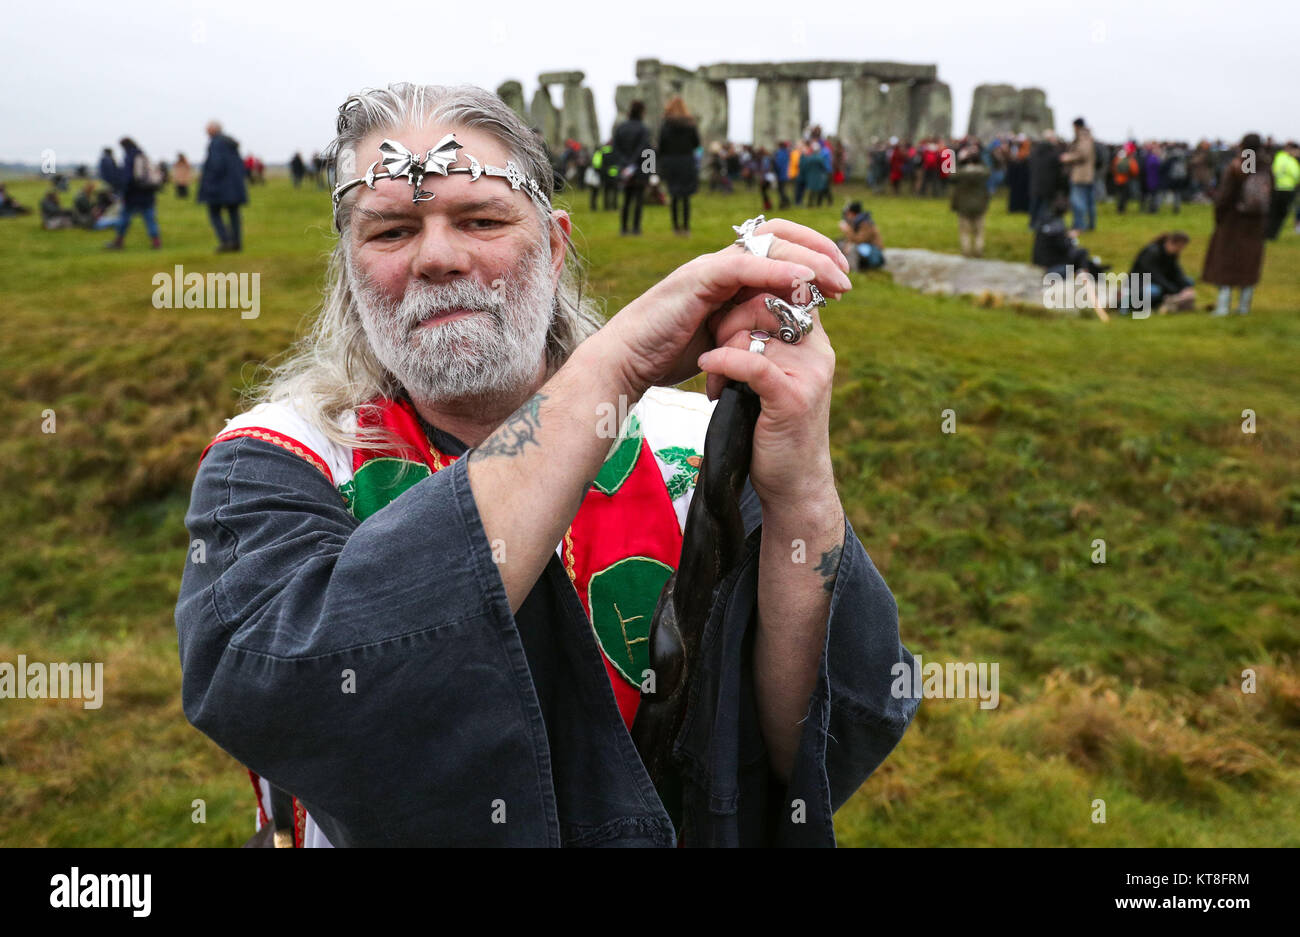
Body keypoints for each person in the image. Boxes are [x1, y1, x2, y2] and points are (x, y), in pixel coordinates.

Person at [174, 81, 916, 848]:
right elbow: (288, 692)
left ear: (555, 245)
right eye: (390, 231)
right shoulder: (278, 460)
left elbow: (814, 741)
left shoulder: (692, 448)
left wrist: (800, 491)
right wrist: (613, 367)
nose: (438, 257)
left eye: (482, 219)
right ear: (350, 272)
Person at [1203, 133, 1271, 316]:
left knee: (1228, 263)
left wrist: (1219, 216)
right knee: (1249, 264)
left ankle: (1223, 306)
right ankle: (1243, 306)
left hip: (1234, 221)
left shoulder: (1241, 165)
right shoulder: (1266, 165)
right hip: (1256, 223)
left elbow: (1225, 197)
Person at [1033, 193, 1110, 319]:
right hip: (1054, 266)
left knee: (1080, 255)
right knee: (1082, 253)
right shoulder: (1059, 225)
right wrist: (1070, 238)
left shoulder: (1046, 220)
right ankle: (1088, 277)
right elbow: (1064, 247)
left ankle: (1090, 271)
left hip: (1041, 260)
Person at [198, 121, 249, 253]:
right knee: (234, 214)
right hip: (234, 186)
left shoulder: (216, 143)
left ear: (213, 130)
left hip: (219, 187)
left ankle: (226, 241)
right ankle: (236, 242)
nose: (206, 132)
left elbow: (216, 165)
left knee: (214, 213)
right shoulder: (230, 143)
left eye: (207, 129)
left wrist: (208, 183)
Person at [105, 137, 161, 250]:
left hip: (132, 195)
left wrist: (123, 192)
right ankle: (156, 242)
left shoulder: (129, 157)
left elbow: (128, 178)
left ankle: (118, 241)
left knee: (124, 218)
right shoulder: (142, 155)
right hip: (147, 194)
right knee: (150, 219)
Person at [656, 96, 700, 237]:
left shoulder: (666, 125)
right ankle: (686, 227)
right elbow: (696, 144)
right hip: (686, 161)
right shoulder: (690, 124)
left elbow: (661, 145)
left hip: (671, 162)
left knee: (674, 194)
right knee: (685, 196)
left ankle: (676, 227)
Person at [1128, 232, 1196, 312]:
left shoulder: (1172, 254)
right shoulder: (1151, 252)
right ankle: (1133, 303)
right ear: (1170, 243)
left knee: (1189, 281)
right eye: (1179, 247)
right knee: (1153, 291)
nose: (1179, 250)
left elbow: (1177, 272)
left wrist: (1186, 287)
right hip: (1140, 283)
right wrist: (1174, 291)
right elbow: (1155, 276)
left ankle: (1167, 302)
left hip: (1160, 282)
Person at [612, 100, 651, 236]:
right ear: (641, 112)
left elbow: (615, 148)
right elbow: (646, 150)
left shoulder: (621, 128)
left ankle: (623, 228)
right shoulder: (644, 129)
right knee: (638, 200)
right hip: (639, 169)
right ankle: (636, 228)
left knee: (626, 199)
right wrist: (647, 171)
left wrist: (624, 164)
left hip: (624, 169)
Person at [950, 148, 991, 257]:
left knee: (964, 231)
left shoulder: (960, 173)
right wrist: (978, 158)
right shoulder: (983, 173)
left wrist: (960, 160)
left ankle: (966, 251)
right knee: (979, 231)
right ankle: (978, 250)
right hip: (980, 205)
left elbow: (951, 175)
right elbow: (988, 170)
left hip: (963, 205)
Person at [1059, 117, 1097, 231]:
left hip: (1080, 175)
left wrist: (1067, 158)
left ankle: (1080, 226)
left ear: (1076, 126)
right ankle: (1090, 225)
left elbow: (1083, 154)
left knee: (1078, 202)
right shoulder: (1087, 136)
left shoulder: (1083, 137)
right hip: (1087, 175)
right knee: (1088, 202)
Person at [1027, 131, 1062, 229]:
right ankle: (1041, 225)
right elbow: (1058, 170)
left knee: (1035, 206)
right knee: (1045, 207)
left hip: (1035, 183)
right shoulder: (1053, 153)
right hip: (1048, 185)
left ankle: (1032, 224)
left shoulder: (1034, 151)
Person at [838, 200, 885, 270]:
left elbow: (860, 240)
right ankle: (843, 265)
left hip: (872, 249)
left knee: (853, 248)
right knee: (840, 243)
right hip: (864, 246)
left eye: (848, 214)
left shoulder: (865, 223)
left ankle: (851, 268)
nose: (846, 216)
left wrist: (847, 230)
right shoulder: (856, 221)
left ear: (853, 213)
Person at [1266, 141, 1298, 240]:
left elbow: (1273, 171)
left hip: (1276, 188)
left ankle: (1267, 233)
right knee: (1281, 214)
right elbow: (1296, 174)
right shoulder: (1290, 160)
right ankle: (1273, 235)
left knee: (1272, 212)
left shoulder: (1278, 158)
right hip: (1287, 189)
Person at [1110, 142, 1139, 214]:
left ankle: (1119, 209)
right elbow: (1135, 170)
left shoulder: (1118, 157)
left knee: (1119, 195)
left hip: (1117, 179)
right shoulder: (1130, 158)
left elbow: (1113, 168)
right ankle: (1122, 210)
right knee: (1124, 195)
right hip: (1126, 179)